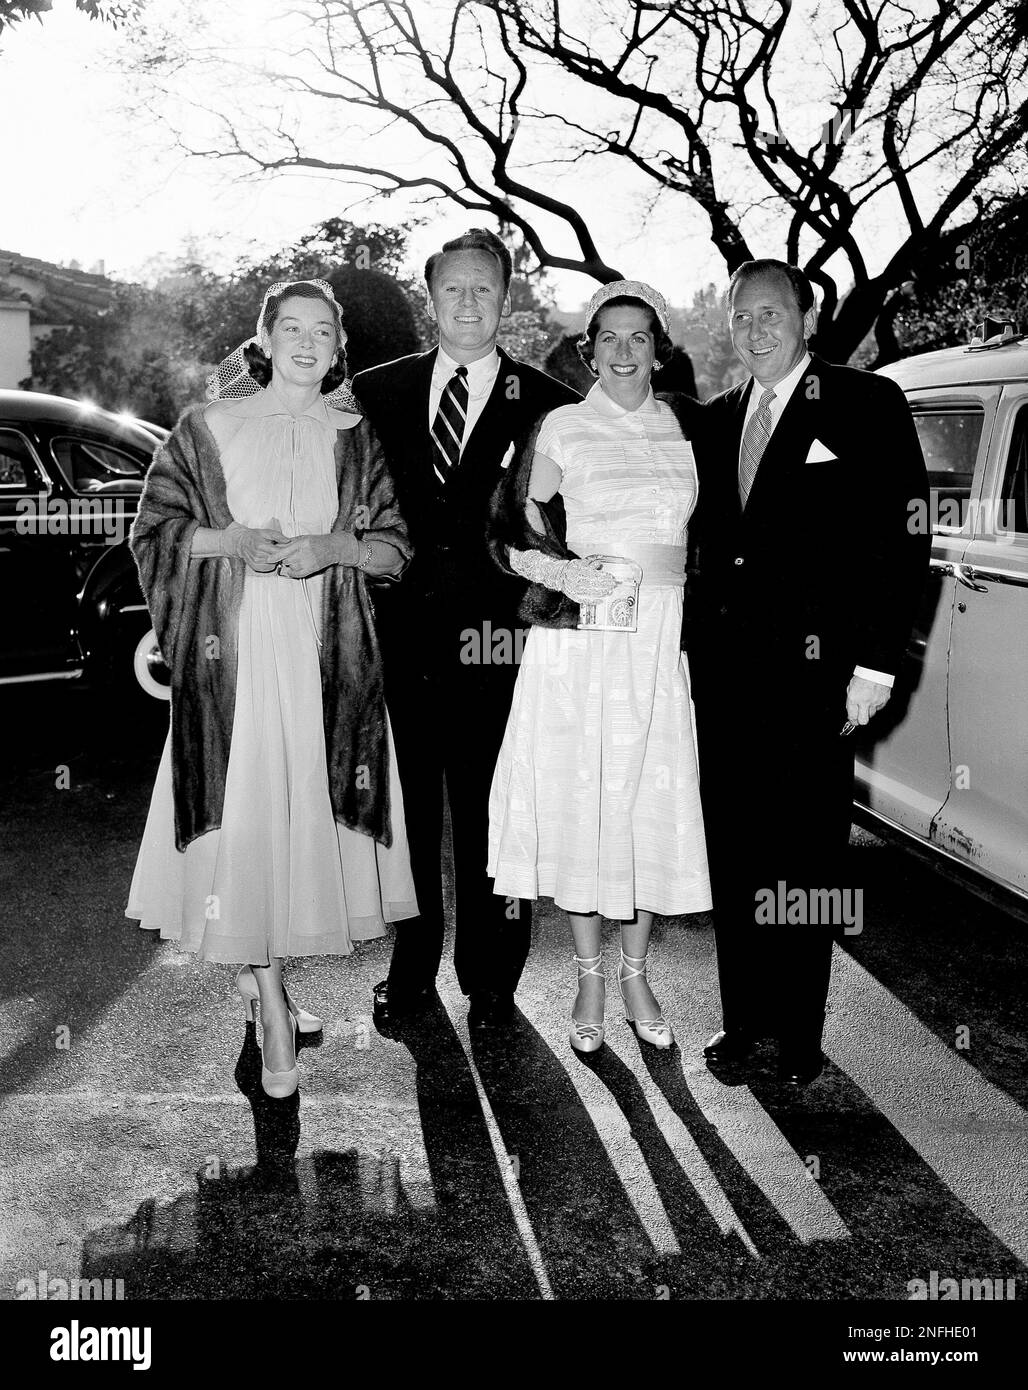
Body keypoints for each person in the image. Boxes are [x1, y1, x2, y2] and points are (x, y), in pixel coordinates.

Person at [126, 279, 418, 1097]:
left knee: (292, 830)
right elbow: (153, 530)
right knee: (246, 824)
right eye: (289, 327)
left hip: (328, 662)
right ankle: (275, 1005)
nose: (305, 342)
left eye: (321, 331)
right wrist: (232, 539)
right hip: (237, 658)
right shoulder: (207, 427)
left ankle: (266, 983)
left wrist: (335, 547)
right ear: (263, 340)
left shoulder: (355, 437)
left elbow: (394, 547)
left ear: (337, 349)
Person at [686, 258, 930, 1086]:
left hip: (818, 680)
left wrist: (874, 666)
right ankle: (743, 1020)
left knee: (808, 858)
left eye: (771, 314)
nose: (756, 330)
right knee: (738, 856)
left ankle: (798, 1033)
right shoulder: (716, 420)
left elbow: (902, 542)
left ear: (808, 317)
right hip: (723, 681)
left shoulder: (864, 403)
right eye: (742, 317)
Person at [351, 229, 580, 1035]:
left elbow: (577, 520)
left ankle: (492, 976)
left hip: (503, 651)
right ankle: (410, 968)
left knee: (498, 814)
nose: (470, 302)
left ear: (506, 298)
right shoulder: (377, 390)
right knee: (408, 815)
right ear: (430, 296)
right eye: (454, 288)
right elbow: (278, 401)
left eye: (485, 288)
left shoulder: (549, 403)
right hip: (401, 644)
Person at [487, 280, 712, 1053]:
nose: (623, 351)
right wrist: (560, 574)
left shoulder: (686, 426)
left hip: (659, 637)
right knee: (583, 801)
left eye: (638, 338)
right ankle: (588, 976)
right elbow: (512, 523)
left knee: (646, 793)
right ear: (588, 350)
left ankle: (636, 973)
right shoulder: (561, 426)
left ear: (659, 350)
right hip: (582, 642)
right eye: (608, 338)